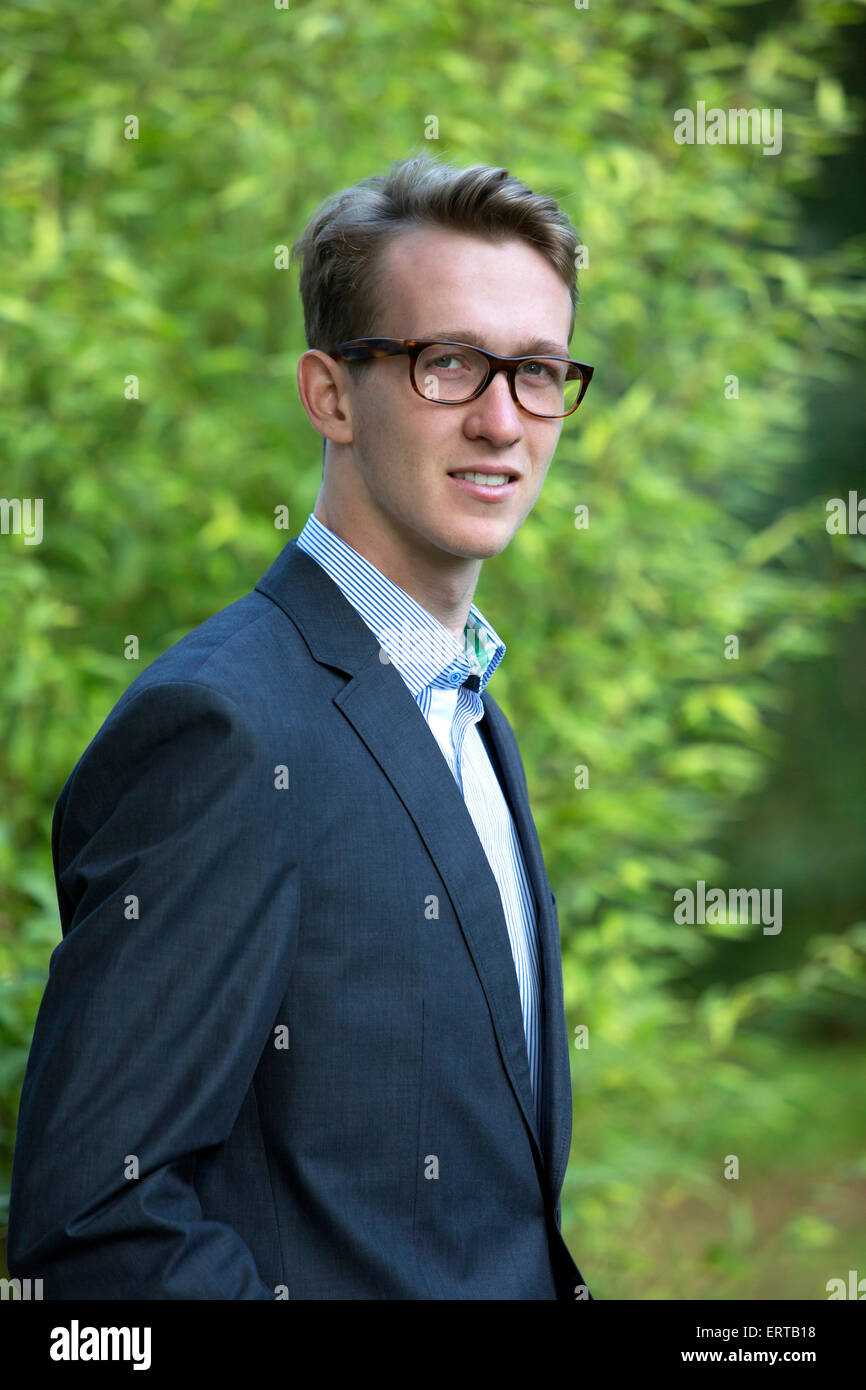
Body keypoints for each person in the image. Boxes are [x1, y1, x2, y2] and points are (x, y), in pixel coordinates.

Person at [7, 151, 595, 1300]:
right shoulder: (225, 729)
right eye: (448, 363)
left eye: (535, 371)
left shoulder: (463, 703)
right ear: (329, 392)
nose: (499, 419)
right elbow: (96, 1223)